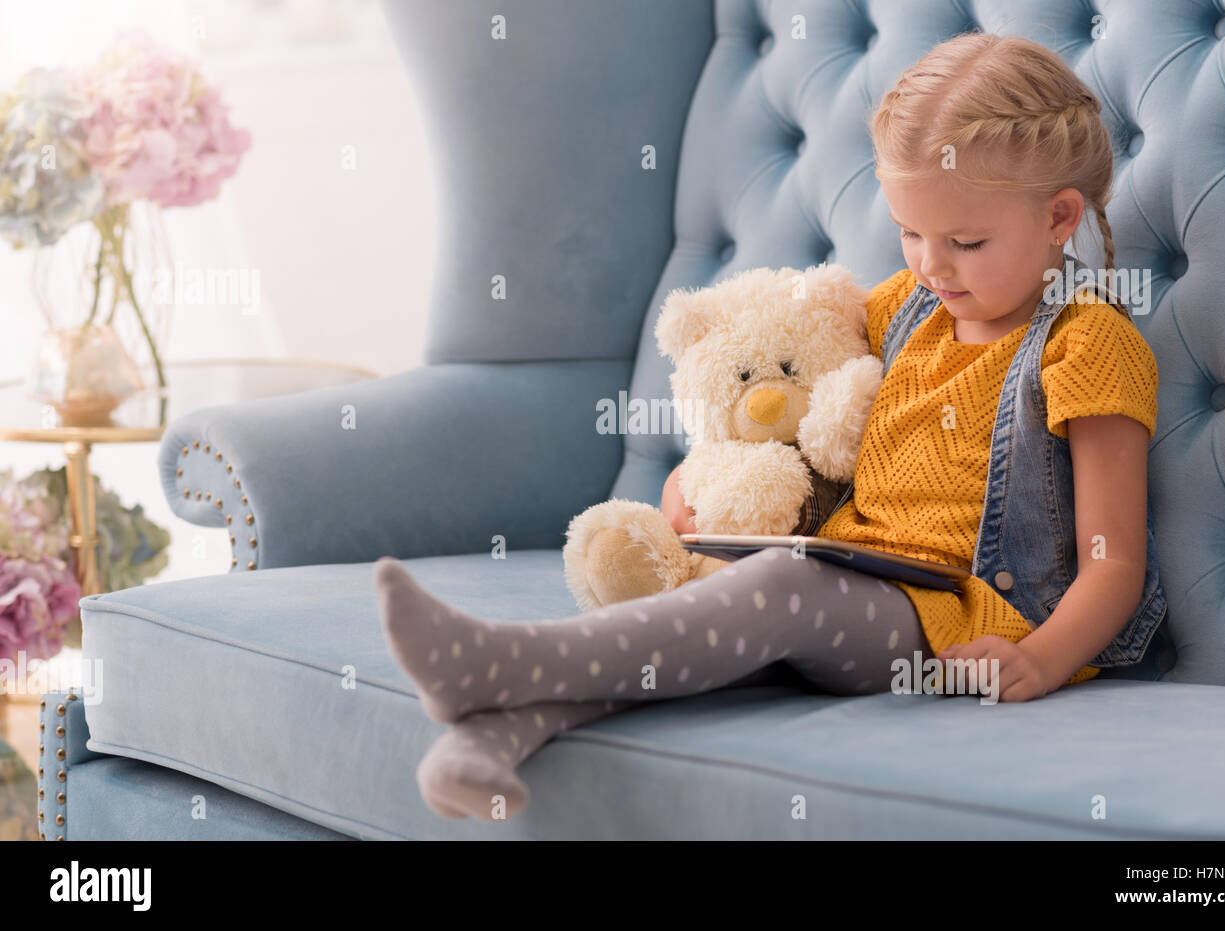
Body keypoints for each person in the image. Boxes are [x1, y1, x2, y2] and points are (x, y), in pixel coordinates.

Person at [374, 32, 1165, 822]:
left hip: (962, 619)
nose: (932, 265)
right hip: (854, 578)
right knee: (686, 627)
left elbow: (1113, 562)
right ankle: (482, 743)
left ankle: (505, 659)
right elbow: (794, 393)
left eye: (965, 242)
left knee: (780, 587)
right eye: (909, 232)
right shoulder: (910, 309)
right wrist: (709, 473)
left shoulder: (1087, 343)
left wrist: (1036, 661)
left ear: (1059, 217)